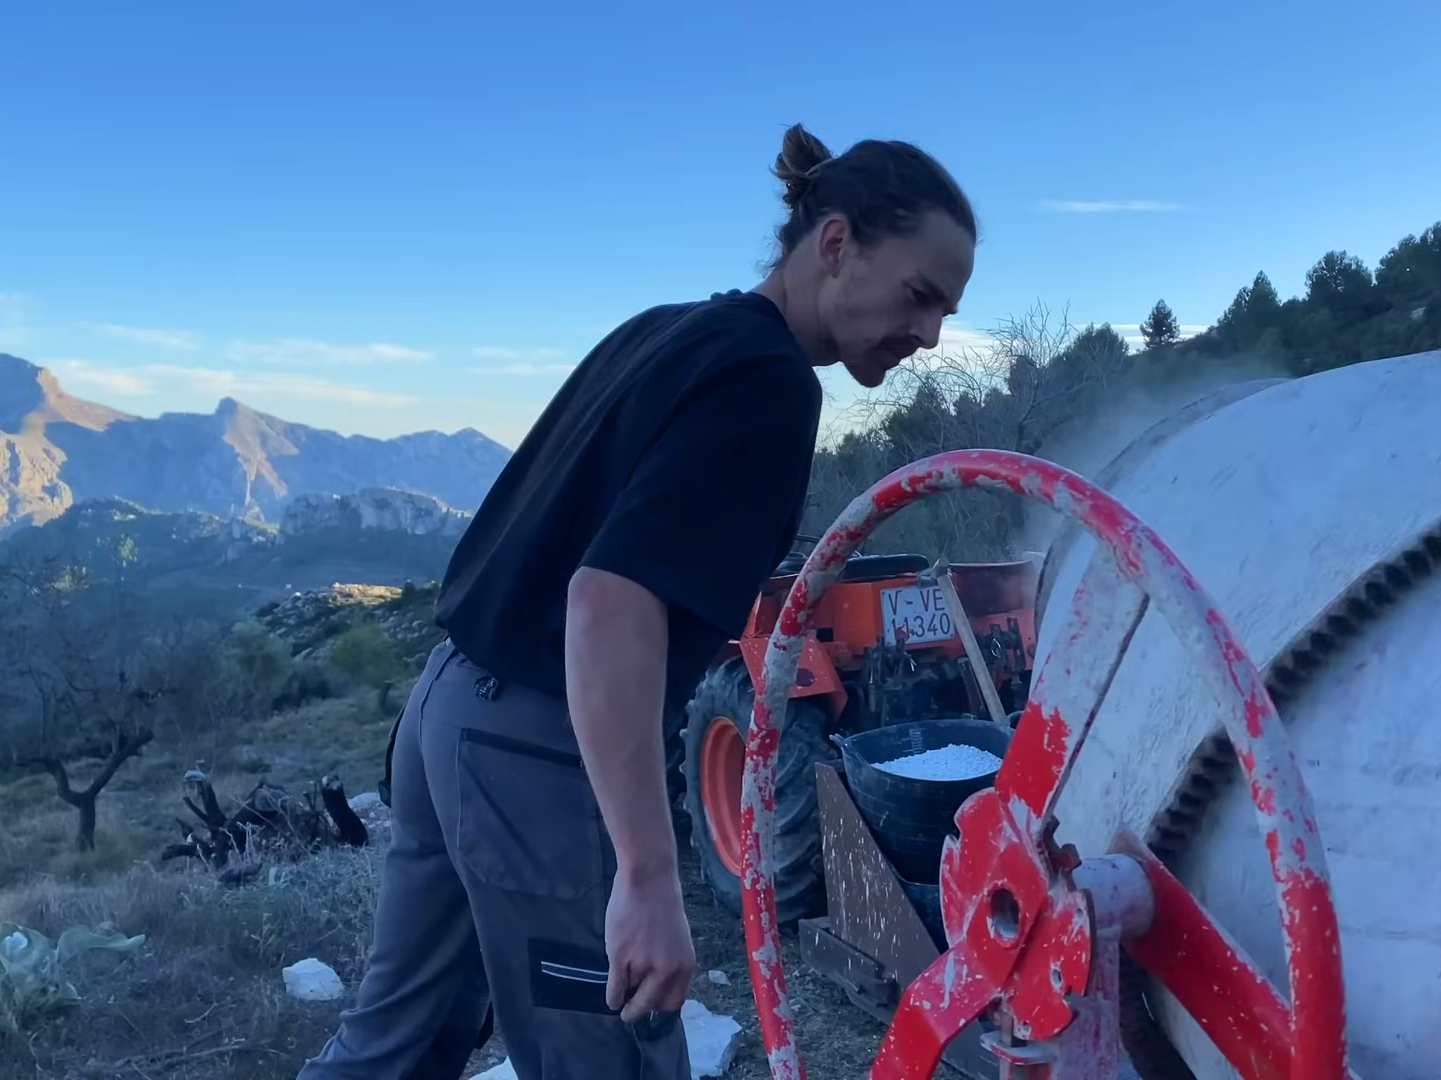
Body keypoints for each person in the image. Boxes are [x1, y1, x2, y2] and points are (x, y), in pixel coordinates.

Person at [298, 122, 977, 1080]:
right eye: (921, 295)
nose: (932, 335)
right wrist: (651, 881)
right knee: (609, 1056)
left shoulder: (668, 329)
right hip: (534, 743)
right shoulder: (768, 385)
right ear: (835, 245)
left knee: (394, 1038)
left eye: (947, 311)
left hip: (446, 709)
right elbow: (610, 600)